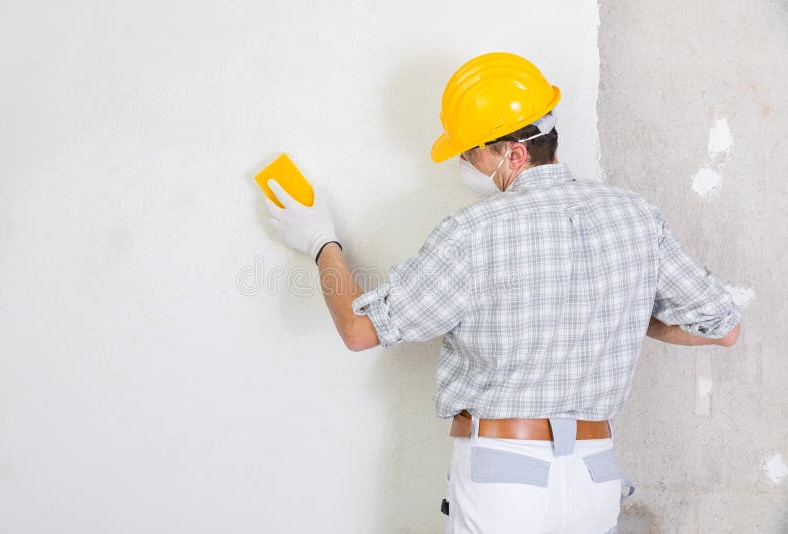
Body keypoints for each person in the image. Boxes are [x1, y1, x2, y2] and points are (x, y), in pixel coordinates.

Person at [263, 52, 741, 533]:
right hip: (596, 479)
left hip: (505, 478)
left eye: (470, 153)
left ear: (513, 153)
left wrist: (320, 241)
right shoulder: (634, 215)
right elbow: (724, 328)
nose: (465, 165)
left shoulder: (475, 231)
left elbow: (359, 330)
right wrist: (629, 310)